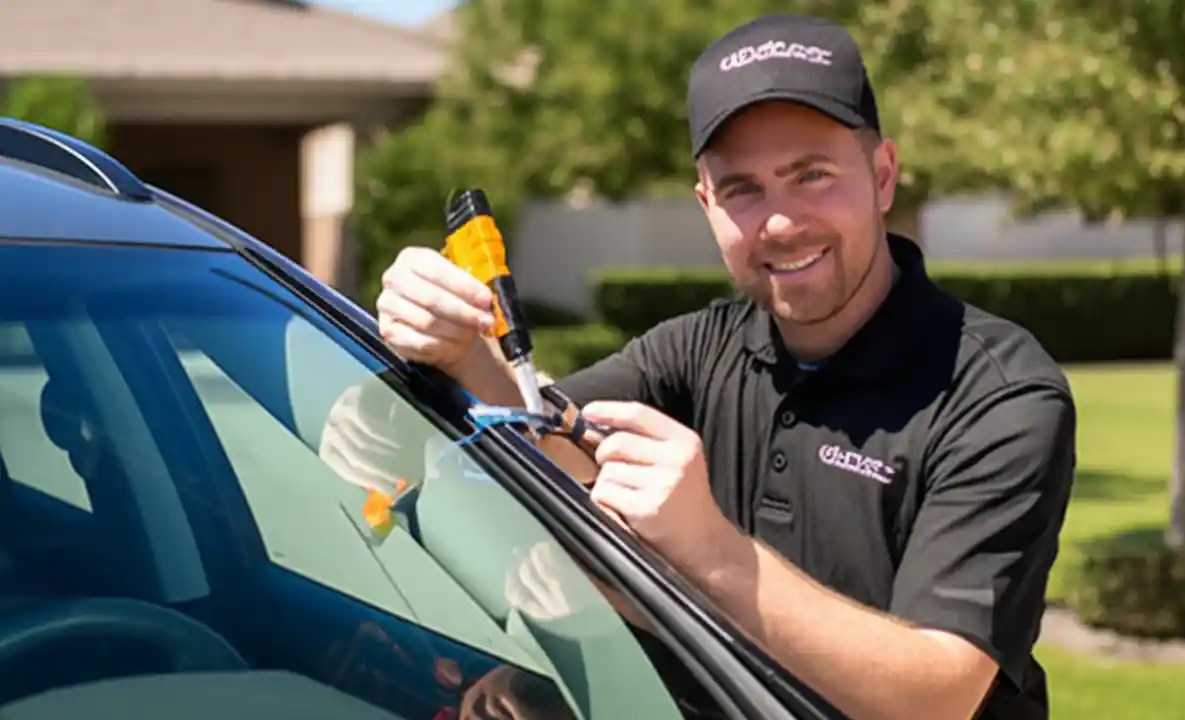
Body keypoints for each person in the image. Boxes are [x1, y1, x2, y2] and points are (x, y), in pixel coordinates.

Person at [374, 13, 1076, 720]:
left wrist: (709, 552)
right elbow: (546, 432)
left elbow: (938, 696)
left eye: (812, 174)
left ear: (883, 175)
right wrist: (461, 346)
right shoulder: (699, 348)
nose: (780, 222)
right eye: (743, 188)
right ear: (706, 203)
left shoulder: (997, 394)